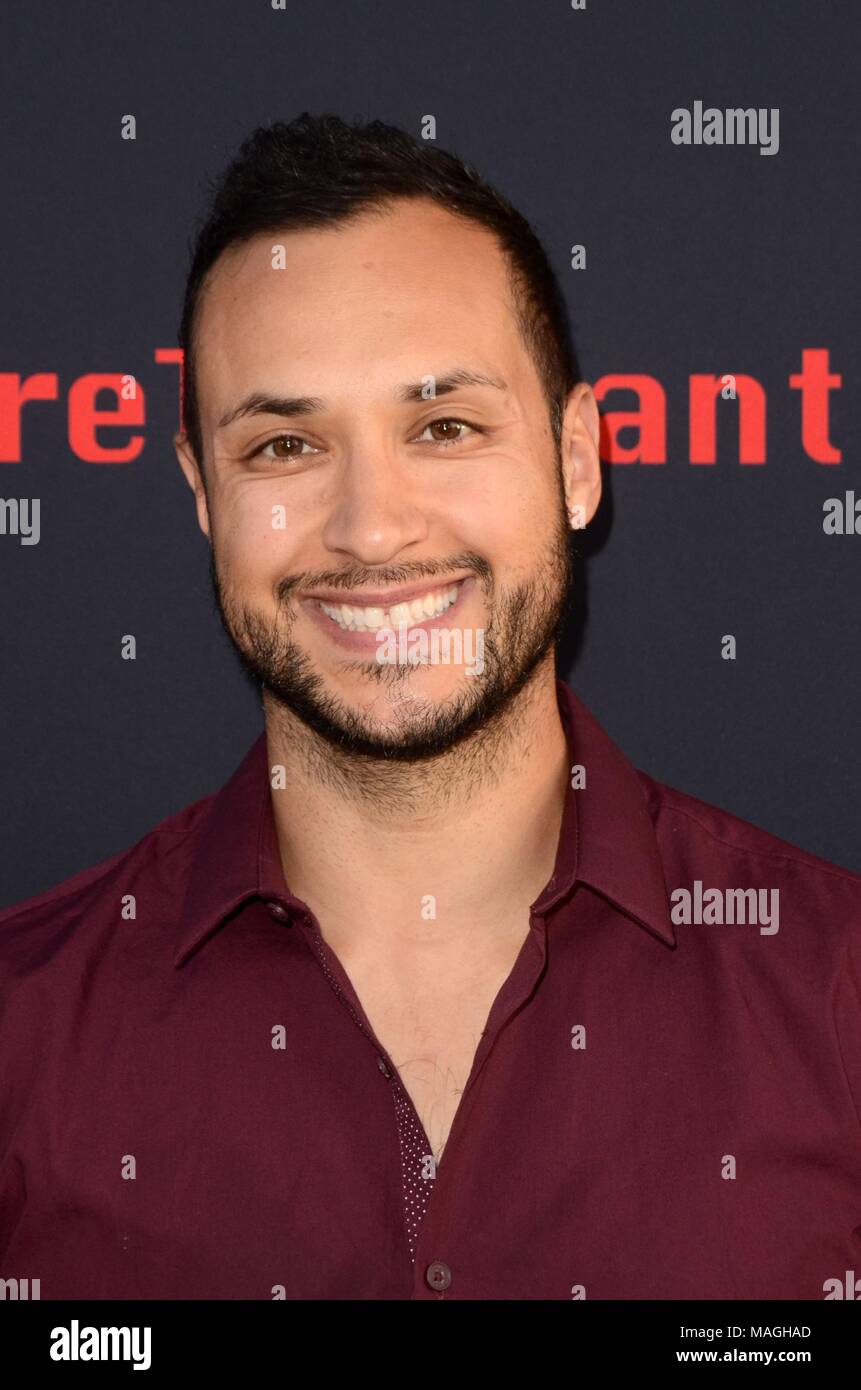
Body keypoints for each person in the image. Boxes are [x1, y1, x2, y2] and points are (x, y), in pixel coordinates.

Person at [1, 113, 859, 1302]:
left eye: (444, 426)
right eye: (286, 445)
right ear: (203, 495)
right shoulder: (22, 1035)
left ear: (575, 460)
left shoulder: (837, 998)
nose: (372, 527)